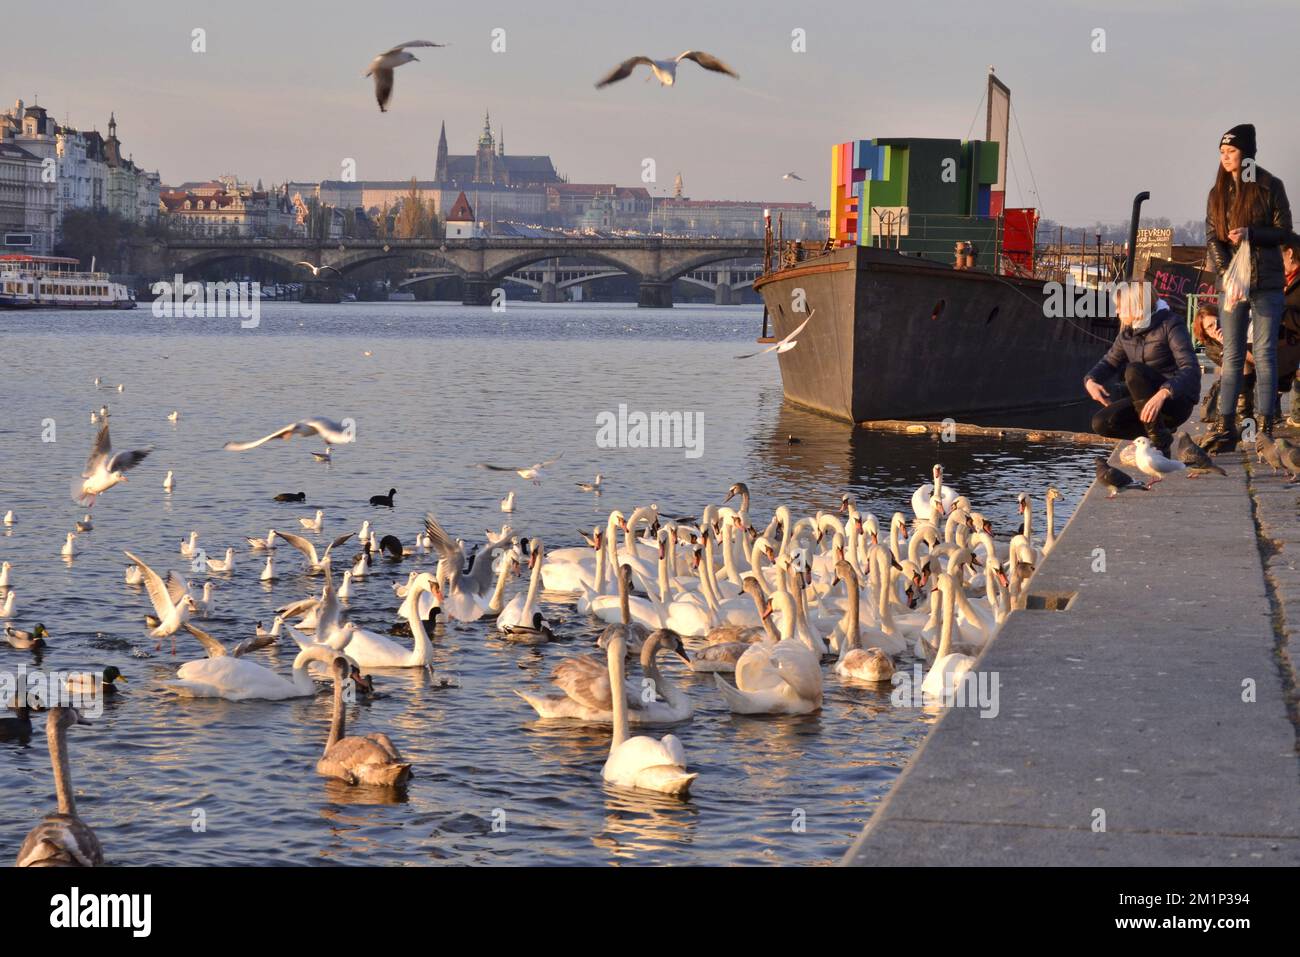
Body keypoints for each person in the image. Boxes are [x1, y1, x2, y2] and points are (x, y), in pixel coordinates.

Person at [1202, 124, 1293, 452]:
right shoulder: (1217, 192)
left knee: (1266, 353)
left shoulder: (1270, 186)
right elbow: (1213, 237)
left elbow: (1285, 231)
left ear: (1247, 153)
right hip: (1232, 284)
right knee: (1232, 353)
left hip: (1266, 280)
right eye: (1222, 152)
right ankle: (1225, 423)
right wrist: (1228, 273)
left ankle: (1266, 426)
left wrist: (1253, 234)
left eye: (1231, 152)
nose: (1225, 158)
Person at [1084, 285, 1200, 454]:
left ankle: (1159, 442)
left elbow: (1191, 369)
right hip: (1146, 404)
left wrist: (1164, 392)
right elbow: (1109, 362)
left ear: (1137, 307)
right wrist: (1090, 380)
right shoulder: (1127, 334)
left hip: (1175, 402)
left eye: (1121, 306)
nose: (1117, 311)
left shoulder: (1170, 324)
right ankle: (1159, 435)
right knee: (1101, 422)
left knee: (1134, 371)